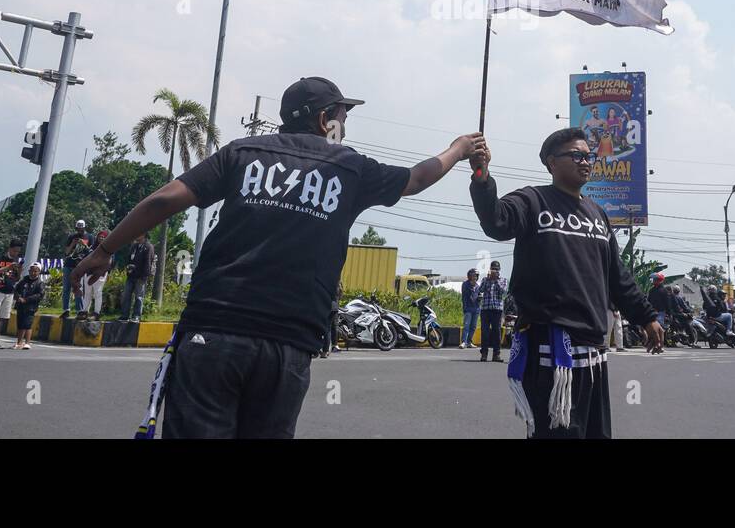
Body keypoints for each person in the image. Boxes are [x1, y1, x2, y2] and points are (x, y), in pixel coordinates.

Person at [71, 75, 483, 439]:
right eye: (343, 115)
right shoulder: (351, 169)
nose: (345, 125)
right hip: (288, 346)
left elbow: (164, 201)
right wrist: (457, 149)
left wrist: (104, 250)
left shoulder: (241, 153)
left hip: (212, 333)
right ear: (326, 121)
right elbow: (416, 178)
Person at [468, 128, 664, 438]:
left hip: (595, 354)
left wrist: (647, 317)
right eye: (576, 155)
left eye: (589, 156)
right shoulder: (533, 200)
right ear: (551, 162)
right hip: (551, 353)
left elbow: (617, 277)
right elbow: (496, 221)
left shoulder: (597, 214)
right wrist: (482, 178)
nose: (585, 162)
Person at [118, 232, 153, 323]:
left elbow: (148, 263)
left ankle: (136, 316)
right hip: (131, 275)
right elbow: (129, 258)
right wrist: (128, 267)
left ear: (144, 235)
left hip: (141, 276)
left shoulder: (148, 247)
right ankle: (124, 315)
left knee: (139, 297)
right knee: (126, 295)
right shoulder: (134, 246)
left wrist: (144, 276)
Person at [479, 260, 508, 362]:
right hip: (485, 310)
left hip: (497, 310)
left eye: (496, 269)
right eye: (492, 269)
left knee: (497, 333)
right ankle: (484, 354)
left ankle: (496, 355)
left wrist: (496, 280)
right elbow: (480, 290)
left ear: (499, 270)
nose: (494, 271)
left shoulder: (503, 280)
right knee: (485, 332)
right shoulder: (485, 279)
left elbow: (503, 292)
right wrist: (488, 279)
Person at [63, 220, 92, 319]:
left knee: (78, 288)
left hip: (80, 266)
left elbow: (92, 252)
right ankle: (66, 310)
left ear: (84, 228)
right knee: (66, 288)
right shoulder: (72, 236)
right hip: (69, 264)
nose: (79, 230)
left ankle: (79, 310)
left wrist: (84, 244)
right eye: (78, 229)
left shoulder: (90, 237)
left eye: (81, 229)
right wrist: (72, 244)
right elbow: (66, 252)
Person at [13, 263, 45, 350]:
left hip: (31, 307)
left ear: (39, 272)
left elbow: (40, 295)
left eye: (36, 271)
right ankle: (19, 342)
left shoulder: (40, 283)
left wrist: (27, 299)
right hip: (20, 306)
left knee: (27, 325)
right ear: (29, 271)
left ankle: (27, 342)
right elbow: (16, 290)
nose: (33, 273)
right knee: (20, 324)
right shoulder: (23, 281)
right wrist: (18, 297)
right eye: (32, 270)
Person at [81, 229, 110, 319]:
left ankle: (96, 313)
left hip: (100, 274)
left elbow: (110, 262)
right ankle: (84, 311)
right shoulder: (92, 247)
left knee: (97, 293)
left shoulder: (108, 248)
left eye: (103, 237)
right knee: (87, 293)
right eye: (99, 236)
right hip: (89, 272)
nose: (101, 238)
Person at [460, 268, 481, 350]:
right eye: (473, 276)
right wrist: (472, 287)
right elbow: (466, 294)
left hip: (476, 308)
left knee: (473, 326)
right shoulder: (465, 284)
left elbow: (479, 295)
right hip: (468, 308)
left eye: (476, 276)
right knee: (466, 325)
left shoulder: (478, 286)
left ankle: (469, 342)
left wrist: (480, 297)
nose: (475, 277)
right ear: (469, 276)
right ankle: (463, 342)